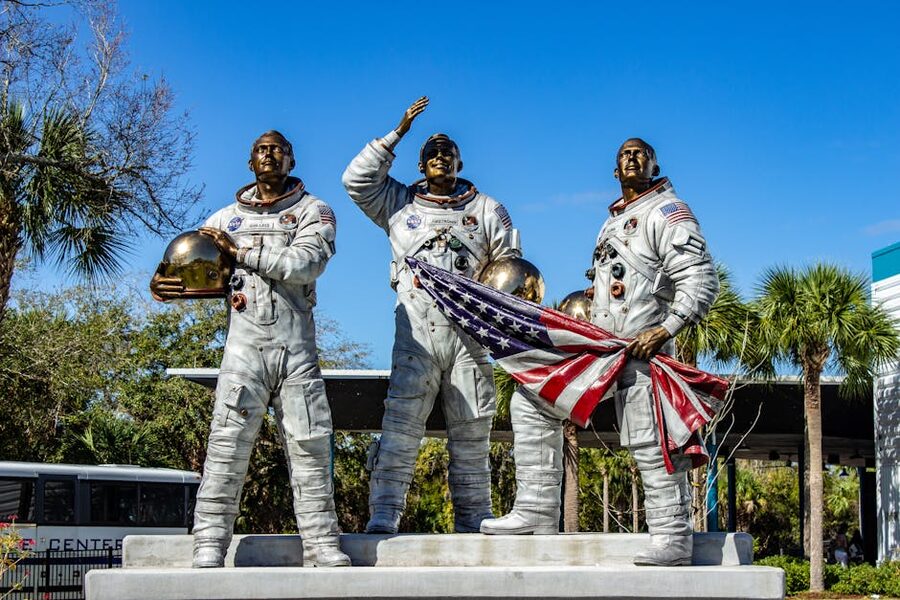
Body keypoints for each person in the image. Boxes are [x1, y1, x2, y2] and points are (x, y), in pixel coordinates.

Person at [150, 131, 350, 568]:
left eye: (278, 149)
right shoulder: (223, 219)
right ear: (249, 161)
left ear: (291, 159)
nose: (269, 154)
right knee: (225, 445)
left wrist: (240, 250)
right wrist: (166, 284)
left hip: (296, 351)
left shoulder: (313, 211)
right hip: (244, 350)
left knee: (311, 446)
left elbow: (305, 265)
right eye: (261, 149)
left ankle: (320, 544)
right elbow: (198, 270)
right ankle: (209, 542)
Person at [342, 97, 520, 534]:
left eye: (448, 152)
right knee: (401, 425)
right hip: (416, 333)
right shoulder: (398, 204)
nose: (440, 157)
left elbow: (512, 268)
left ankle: (474, 515)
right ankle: (385, 510)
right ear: (420, 165)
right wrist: (397, 132)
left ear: (460, 161)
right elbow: (355, 180)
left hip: (470, 335)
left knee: (473, 428)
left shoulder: (487, 210)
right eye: (432, 153)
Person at [591, 138, 718, 565]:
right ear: (614, 170)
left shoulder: (667, 211)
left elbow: (700, 278)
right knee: (536, 400)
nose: (630, 157)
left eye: (640, 153)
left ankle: (673, 538)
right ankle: (534, 510)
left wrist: (664, 329)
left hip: (646, 353)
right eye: (623, 154)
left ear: (654, 164)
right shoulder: (611, 222)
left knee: (651, 440)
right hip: (603, 351)